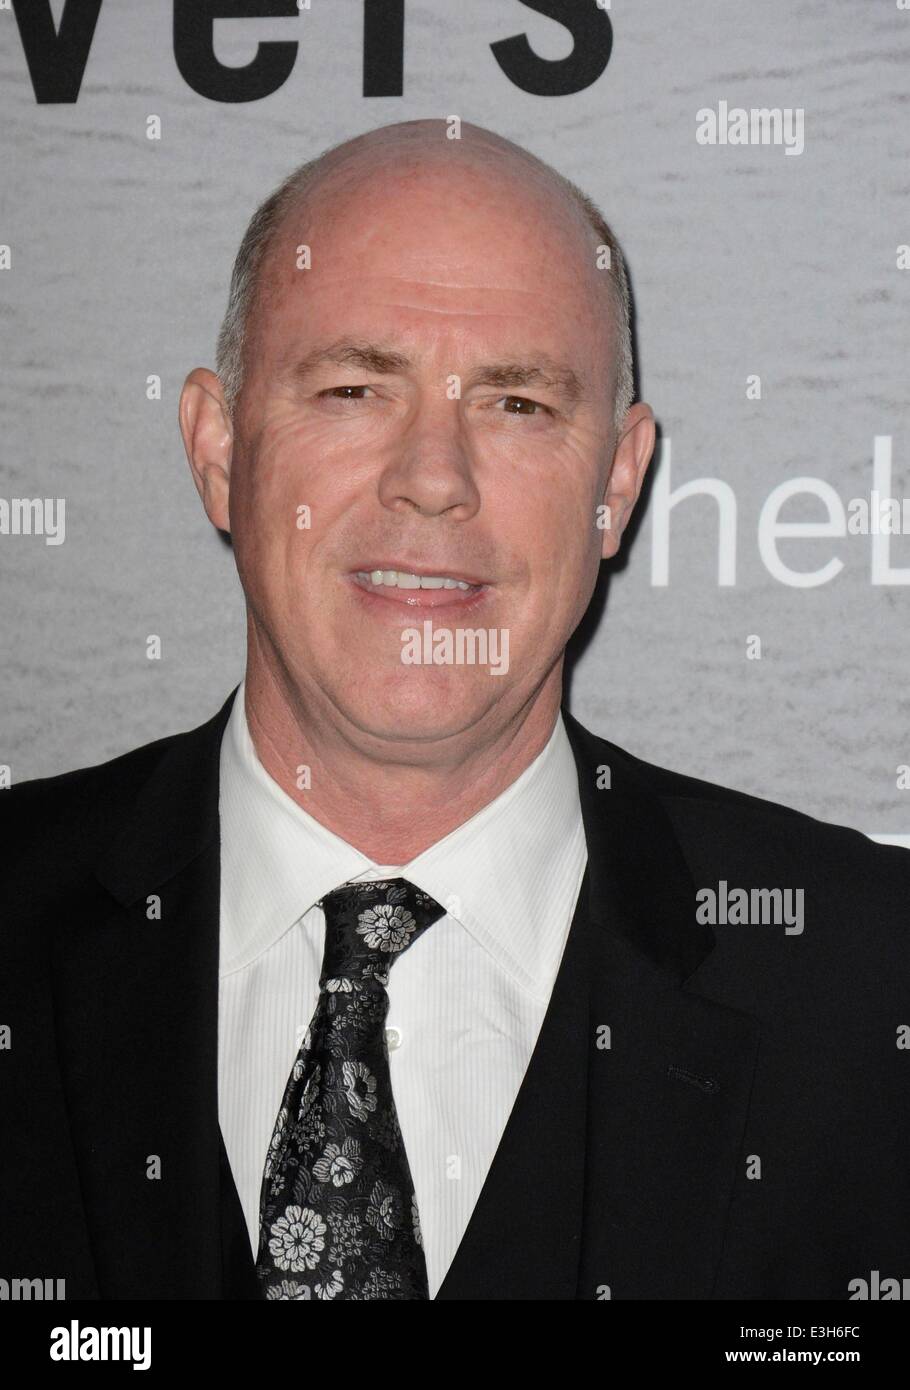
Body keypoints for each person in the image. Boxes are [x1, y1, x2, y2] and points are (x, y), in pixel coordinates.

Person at [2, 119, 907, 1301]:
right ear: (219, 451)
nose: (433, 476)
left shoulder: (873, 991)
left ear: (617, 486)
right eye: (352, 387)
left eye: (518, 404)